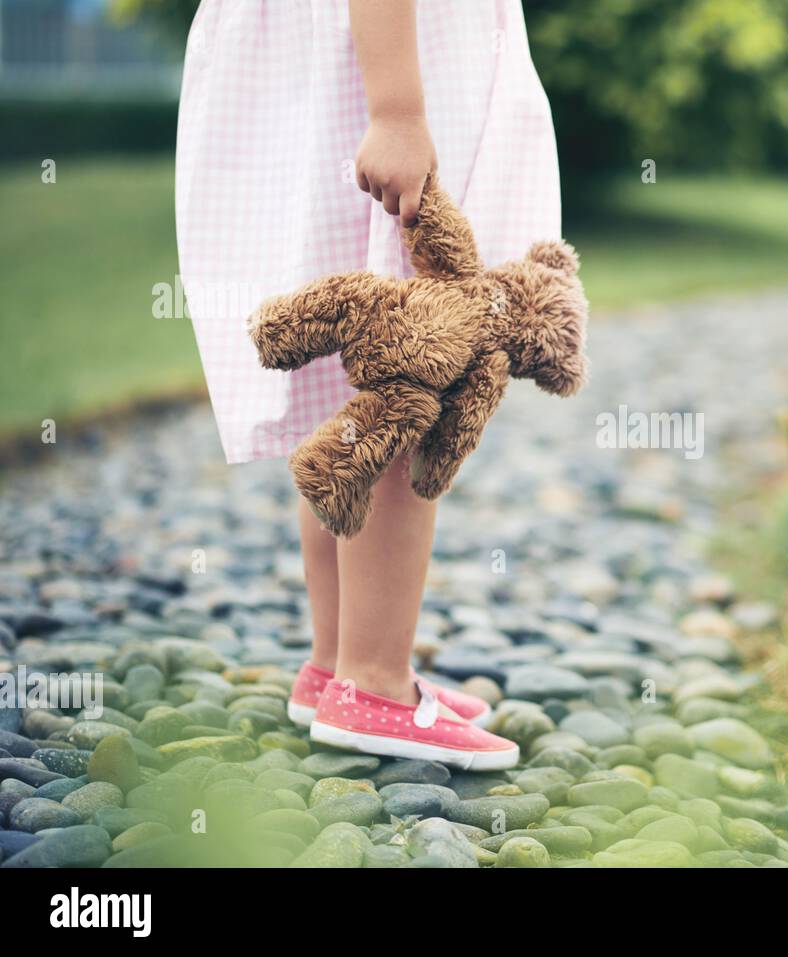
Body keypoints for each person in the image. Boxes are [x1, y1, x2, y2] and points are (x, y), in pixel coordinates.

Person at [176, 0, 562, 770]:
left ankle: (336, 662)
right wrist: (397, 109)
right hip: (386, 64)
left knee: (355, 379)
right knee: (415, 364)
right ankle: (375, 683)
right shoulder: (395, 96)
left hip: (350, 55)